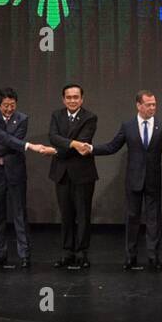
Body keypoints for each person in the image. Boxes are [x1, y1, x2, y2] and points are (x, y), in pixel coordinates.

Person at [82, 90, 162, 271]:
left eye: (154, 104)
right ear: (139, 105)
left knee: (154, 219)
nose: (152, 107)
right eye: (149, 104)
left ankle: (153, 256)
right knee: (132, 218)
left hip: (153, 180)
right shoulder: (128, 126)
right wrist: (91, 148)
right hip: (133, 180)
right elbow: (112, 146)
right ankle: (131, 257)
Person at [0, 88, 54, 270]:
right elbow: (2, 138)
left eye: (12, 105)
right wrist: (28, 146)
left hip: (15, 172)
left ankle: (24, 254)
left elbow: (8, 142)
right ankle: (0, 254)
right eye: (6, 105)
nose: (9, 109)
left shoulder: (22, 118)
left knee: (19, 214)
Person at [48, 84, 98, 269]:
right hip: (61, 173)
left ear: (82, 99)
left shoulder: (90, 117)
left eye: (76, 97)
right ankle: (67, 252)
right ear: (63, 99)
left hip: (83, 173)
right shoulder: (57, 115)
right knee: (66, 214)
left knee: (83, 215)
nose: (72, 100)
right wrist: (73, 144)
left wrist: (61, 147)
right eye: (68, 97)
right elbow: (53, 136)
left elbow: (84, 143)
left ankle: (82, 253)